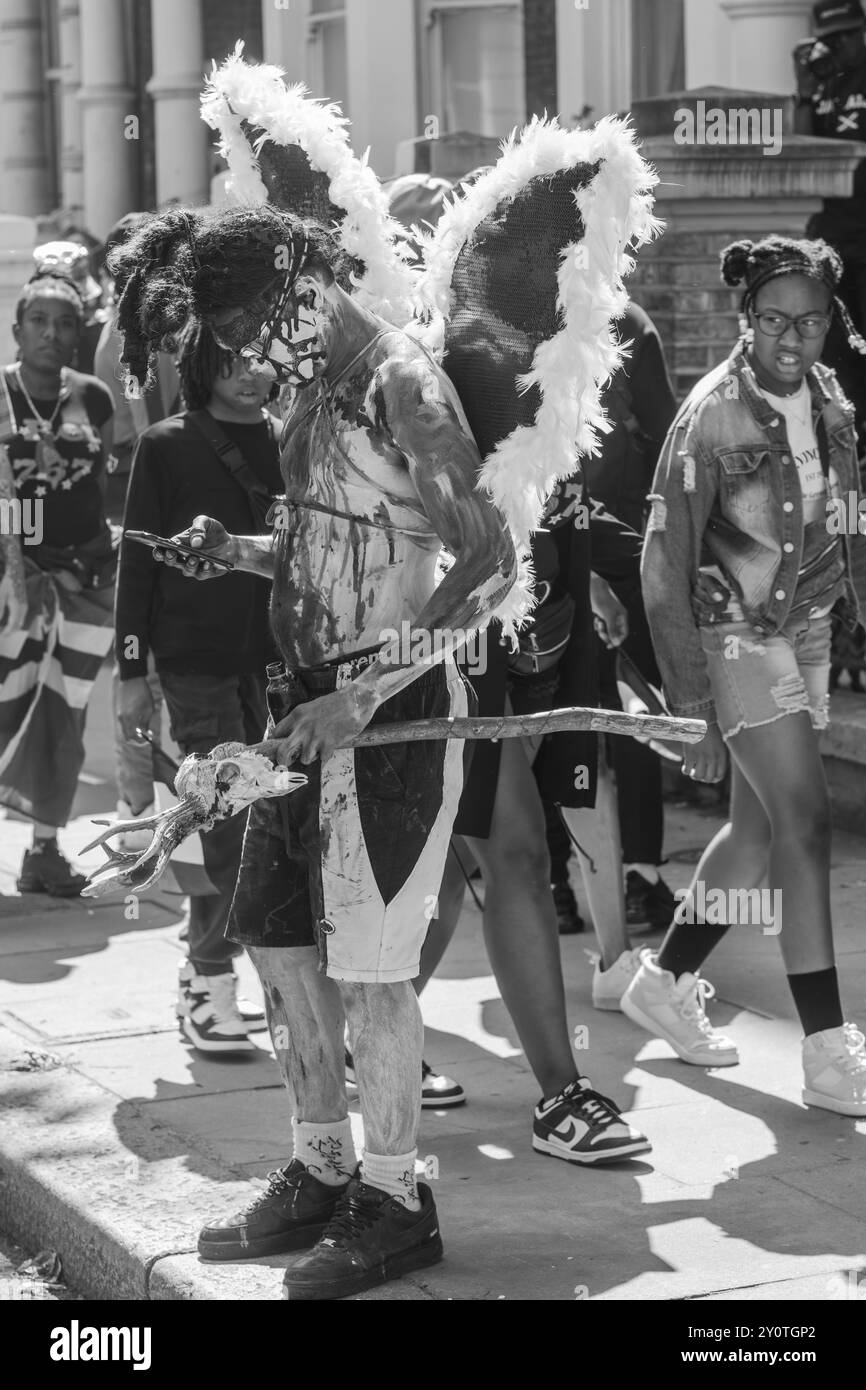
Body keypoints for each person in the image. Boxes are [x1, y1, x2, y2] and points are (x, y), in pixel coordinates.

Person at [109, 202, 517, 1300]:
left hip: (394, 714)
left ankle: (396, 1198)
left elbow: (490, 559)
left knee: (371, 970)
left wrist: (369, 693)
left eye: (253, 325)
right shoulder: (307, 395)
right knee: (280, 945)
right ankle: (323, 1160)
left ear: (306, 277)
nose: (247, 354)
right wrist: (234, 551)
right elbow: (317, 540)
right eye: (231, 338)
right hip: (301, 712)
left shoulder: (400, 383)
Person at [626, 234, 866, 1116]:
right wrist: (688, 697)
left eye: (809, 325)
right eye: (773, 322)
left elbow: (848, 513)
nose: (791, 342)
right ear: (745, 319)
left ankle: (665, 980)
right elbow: (664, 560)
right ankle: (827, 1049)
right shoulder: (711, 416)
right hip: (736, 636)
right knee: (805, 824)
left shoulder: (831, 400)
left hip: (805, 628)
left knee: (759, 835)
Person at [116, 323, 282, 1053]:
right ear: (199, 363)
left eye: (259, 356)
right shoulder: (166, 444)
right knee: (225, 816)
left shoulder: (294, 438)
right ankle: (211, 981)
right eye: (231, 358)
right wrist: (129, 673)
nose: (249, 372)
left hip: (279, 662)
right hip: (193, 663)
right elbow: (138, 563)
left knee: (268, 818)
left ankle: (209, 973)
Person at [0, 271, 115, 893]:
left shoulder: (94, 397)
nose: (52, 332)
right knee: (6, 704)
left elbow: (103, 487)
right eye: (39, 320)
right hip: (10, 591)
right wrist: (31, 555)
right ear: (17, 330)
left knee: (63, 715)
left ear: (79, 333)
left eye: (65, 321)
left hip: (86, 584)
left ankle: (44, 849)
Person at [579, 301, 679, 934]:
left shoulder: (626, 321)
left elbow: (669, 436)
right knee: (562, 728)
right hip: (544, 563)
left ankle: (637, 875)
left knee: (635, 718)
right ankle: (565, 878)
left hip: (624, 553)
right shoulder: (498, 317)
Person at [95, 212, 182, 846]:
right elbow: (152, 432)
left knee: (141, 673)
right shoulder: (139, 333)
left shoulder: (136, 329)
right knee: (144, 675)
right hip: (155, 520)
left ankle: (140, 812)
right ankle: (143, 813)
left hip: (142, 518)